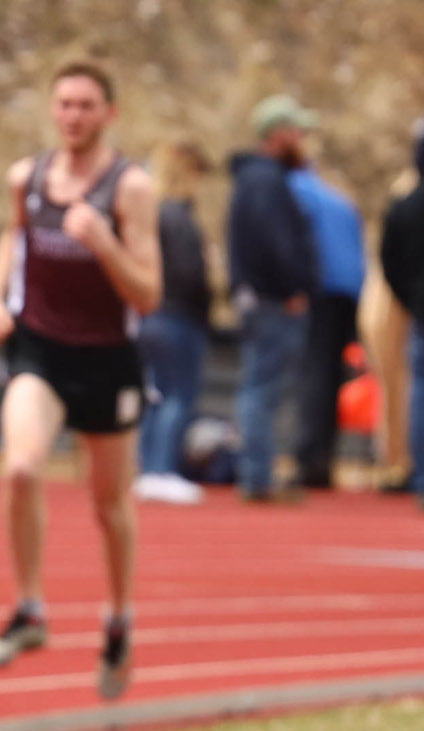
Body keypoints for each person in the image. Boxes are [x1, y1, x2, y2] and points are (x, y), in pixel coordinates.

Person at [0, 61, 161, 701]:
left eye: (86, 105)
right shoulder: (25, 178)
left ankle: (118, 618)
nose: (74, 116)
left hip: (108, 360)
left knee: (109, 507)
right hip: (41, 349)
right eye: (65, 104)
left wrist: (104, 244)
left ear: (111, 113)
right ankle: (29, 609)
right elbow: (13, 238)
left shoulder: (130, 188)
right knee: (21, 470)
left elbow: (150, 292)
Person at [227, 94, 319, 502]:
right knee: (262, 389)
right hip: (273, 300)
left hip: (260, 297)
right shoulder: (266, 180)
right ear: (278, 134)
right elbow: (274, 240)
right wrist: (293, 287)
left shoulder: (255, 178)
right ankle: (257, 477)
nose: (302, 138)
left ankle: (256, 474)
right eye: (297, 130)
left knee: (258, 387)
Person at [133, 141, 215, 506]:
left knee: (156, 395)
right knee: (178, 395)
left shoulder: (150, 214)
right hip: (178, 315)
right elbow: (189, 273)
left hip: (150, 314)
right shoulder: (179, 216)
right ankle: (161, 470)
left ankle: (147, 468)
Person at [287, 159, 366, 490]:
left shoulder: (294, 191)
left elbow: (293, 242)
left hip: (320, 290)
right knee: (329, 376)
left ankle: (310, 459)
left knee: (314, 376)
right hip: (348, 293)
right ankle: (323, 459)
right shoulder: (338, 199)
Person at [382, 121, 424, 505]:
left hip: (419, 312)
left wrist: (410, 298)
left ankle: (420, 478)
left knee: (419, 392)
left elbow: (389, 262)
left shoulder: (404, 207)